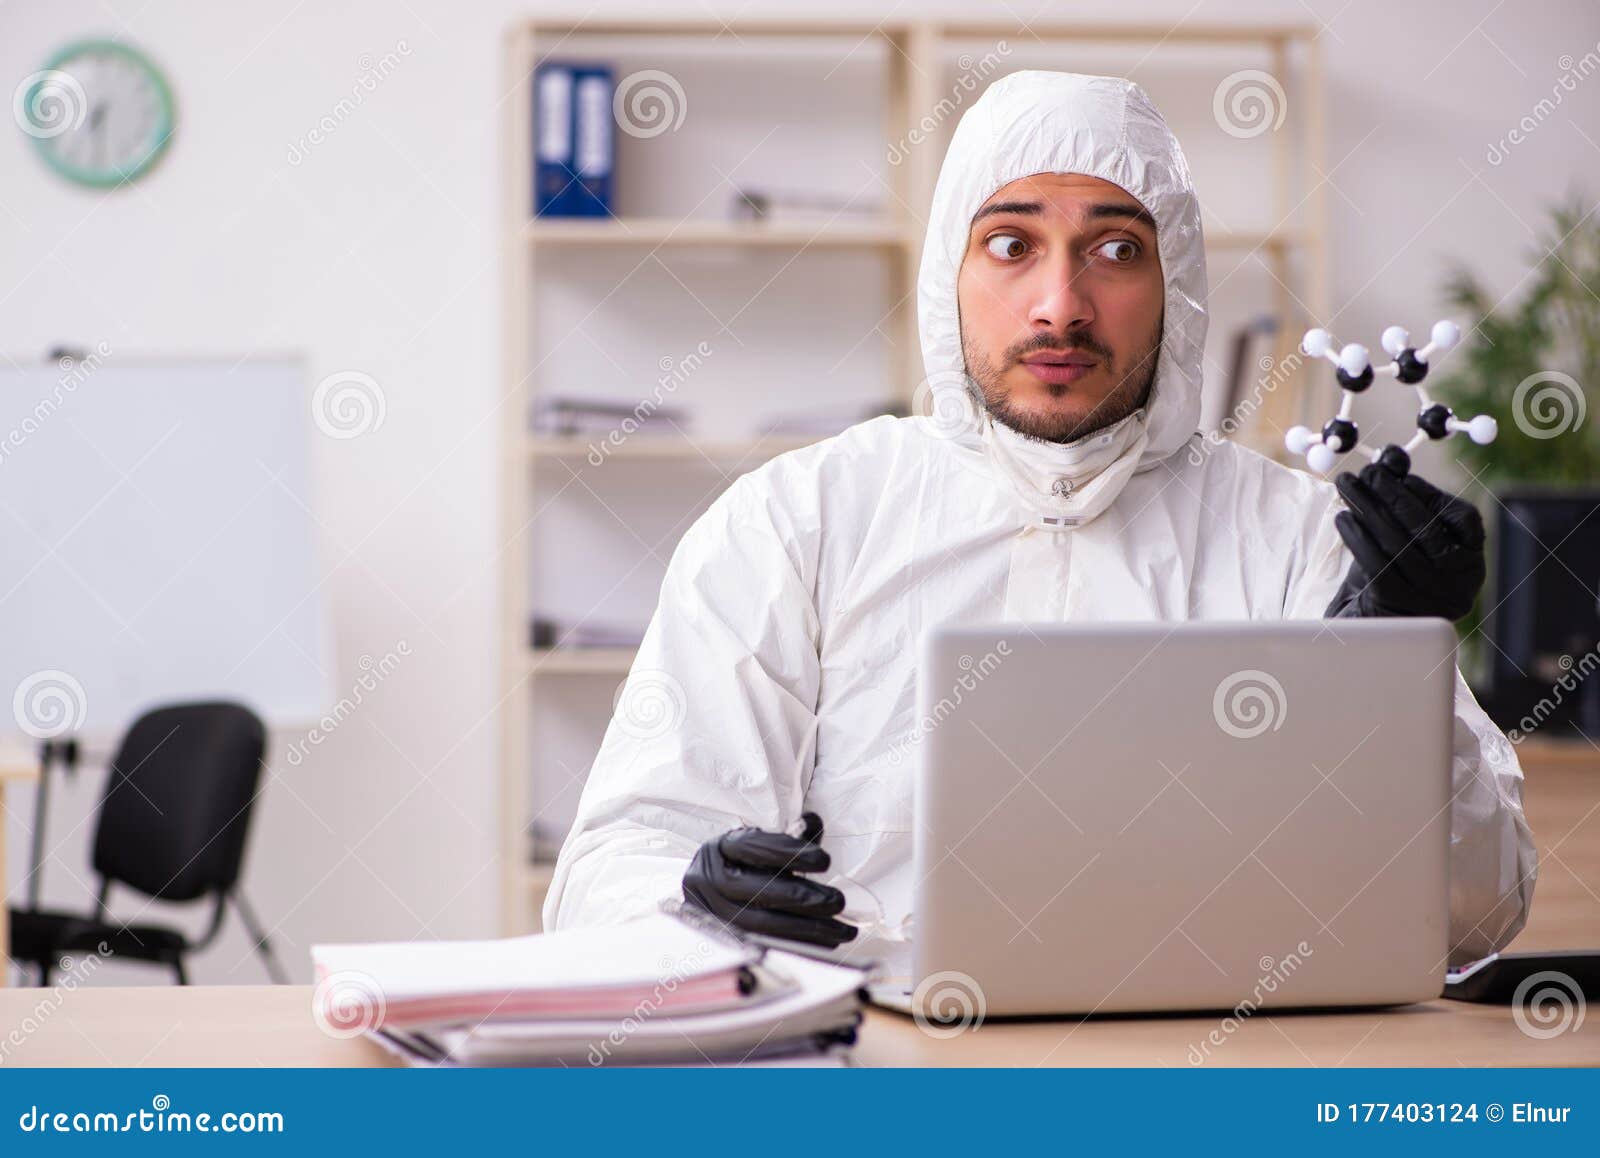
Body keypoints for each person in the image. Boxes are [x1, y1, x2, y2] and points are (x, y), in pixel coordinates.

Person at [543, 71, 1535, 976]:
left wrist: (1391, 667)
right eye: (1010, 244)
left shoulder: (1302, 539)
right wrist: (691, 903)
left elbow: (1478, 917)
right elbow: (613, 864)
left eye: (1114, 250)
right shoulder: (795, 522)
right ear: (948, 273)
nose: (1060, 306)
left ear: (1175, 284)